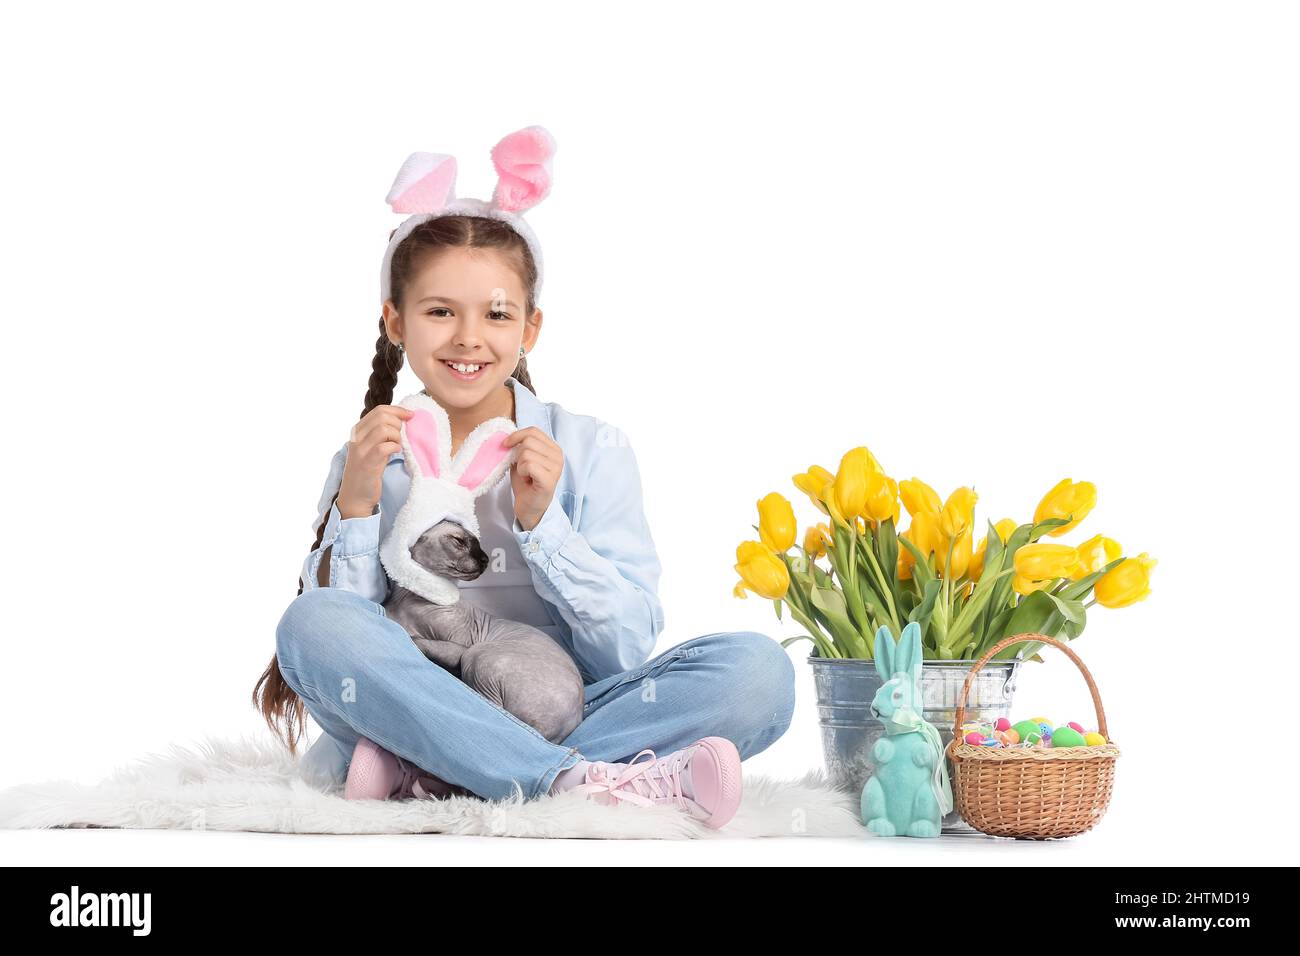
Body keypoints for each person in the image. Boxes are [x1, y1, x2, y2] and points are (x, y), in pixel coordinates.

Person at [252, 127, 795, 829]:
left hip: (562, 706)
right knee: (312, 624)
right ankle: (571, 780)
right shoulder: (370, 455)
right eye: (440, 311)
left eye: (496, 314)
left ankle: (437, 773)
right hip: (415, 703)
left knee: (759, 673)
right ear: (396, 321)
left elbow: (624, 651)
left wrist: (547, 529)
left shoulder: (591, 448)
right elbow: (342, 644)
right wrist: (356, 505)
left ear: (530, 328)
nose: (468, 337)